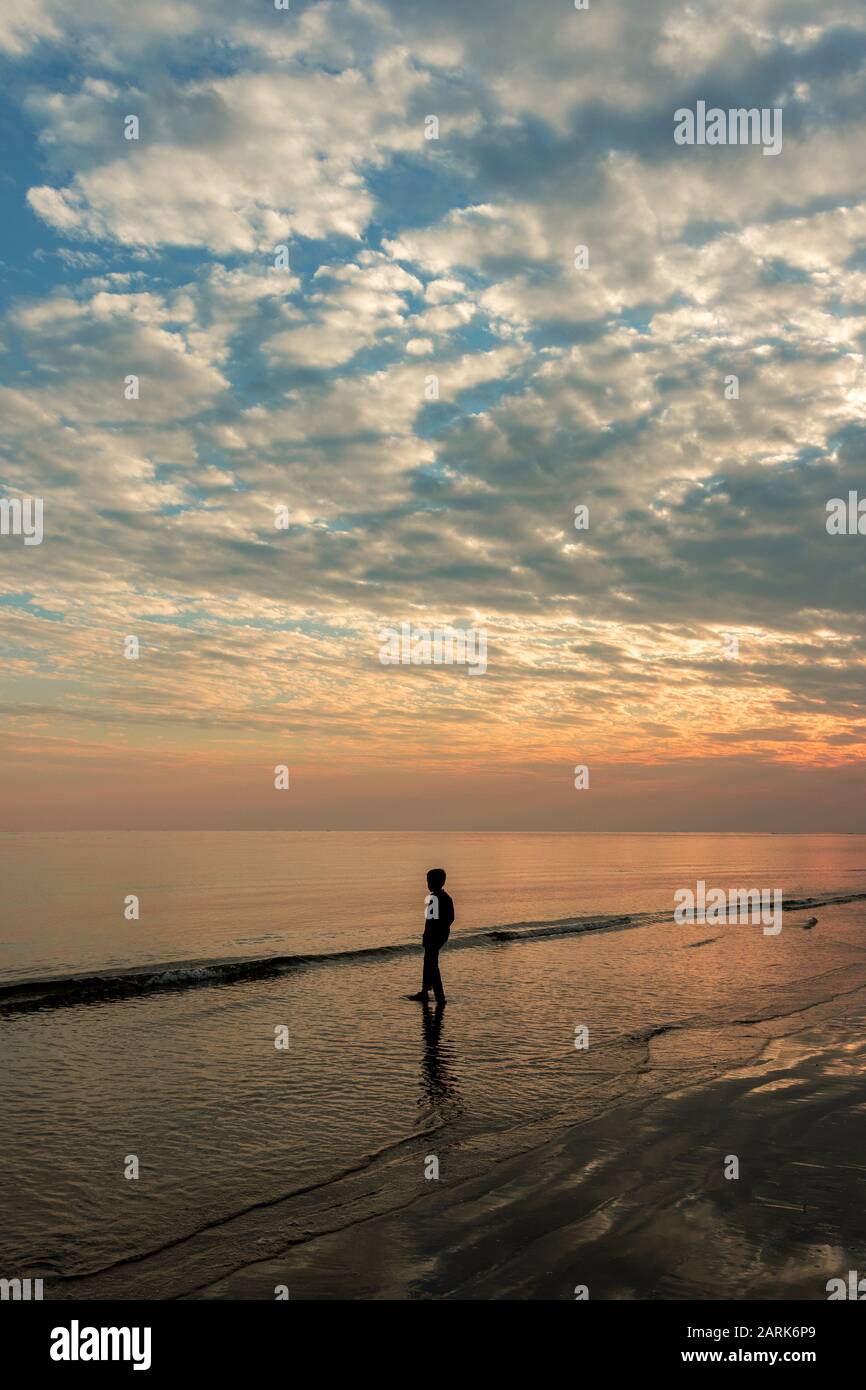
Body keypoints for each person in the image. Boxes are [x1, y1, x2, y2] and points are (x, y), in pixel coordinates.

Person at [407, 867, 453, 1005]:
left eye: (429, 881)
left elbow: (433, 920)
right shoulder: (444, 897)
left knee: (432, 964)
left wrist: (431, 934)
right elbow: (447, 918)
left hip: (434, 936)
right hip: (438, 935)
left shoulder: (436, 899)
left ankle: (439, 996)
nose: (428, 884)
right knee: (429, 963)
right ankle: (425, 991)